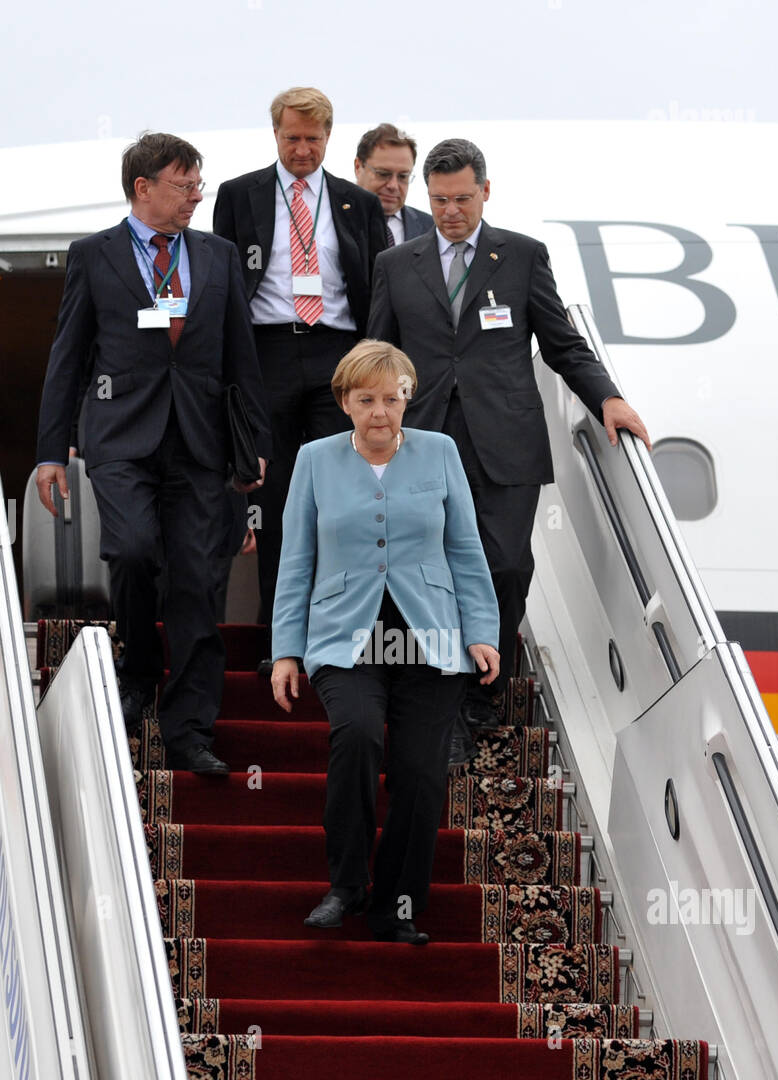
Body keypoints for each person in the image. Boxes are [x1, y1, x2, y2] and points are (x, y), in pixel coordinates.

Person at [367, 137, 651, 765]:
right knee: (423, 571)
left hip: (505, 442)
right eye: (439, 200)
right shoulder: (397, 264)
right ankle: (441, 699)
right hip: (423, 443)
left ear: (485, 192)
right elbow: (375, 358)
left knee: (504, 567)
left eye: (462, 199)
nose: (450, 211)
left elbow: (562, 342)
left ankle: (480, 687)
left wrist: (607, 398)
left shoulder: (520, 256)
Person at [35, 132, 270, 776]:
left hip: (200, 442)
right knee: (135, 549)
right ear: (143, 188)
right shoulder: (94, 255)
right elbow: (68, 356)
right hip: (119, 437)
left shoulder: (218, 256)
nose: (196, 194)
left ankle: (190, 728)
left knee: (196, 580)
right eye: (182, 183)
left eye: (198, 182)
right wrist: (50, 450)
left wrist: (254, 448)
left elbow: (240, 357)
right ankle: (137, 668)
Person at [270, 340, 499, 945]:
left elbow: (465, 550)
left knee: (422, 774)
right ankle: (347, 884)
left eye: (391, 399)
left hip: (431, 637)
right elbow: (296, 560)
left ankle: (397, 904)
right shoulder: (314, 460)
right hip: (346, 637)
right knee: (359, 735)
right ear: (345, 402)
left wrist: (481, 632)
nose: (380, 411)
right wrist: (287, 650)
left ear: (407, 400)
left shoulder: (440, 452)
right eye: (366, 399)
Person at [213, 87, 389, 672]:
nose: (302, 148)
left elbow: (378, 289)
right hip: (264, 355)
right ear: (275, 134)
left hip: (339, 357)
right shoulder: (240, 195)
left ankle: (338, 638)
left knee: (337, 497)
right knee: (275, 501)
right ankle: (277, 640)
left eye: (313, 139)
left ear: (329, 139)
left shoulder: (356, 204)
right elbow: (223, 285)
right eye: (292, 137)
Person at [354, 123, 434, 246]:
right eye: (383, 174)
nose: (393, 186)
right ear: (358, 167)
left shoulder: (432, 229)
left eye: (403, 176)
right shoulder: (333, 220)